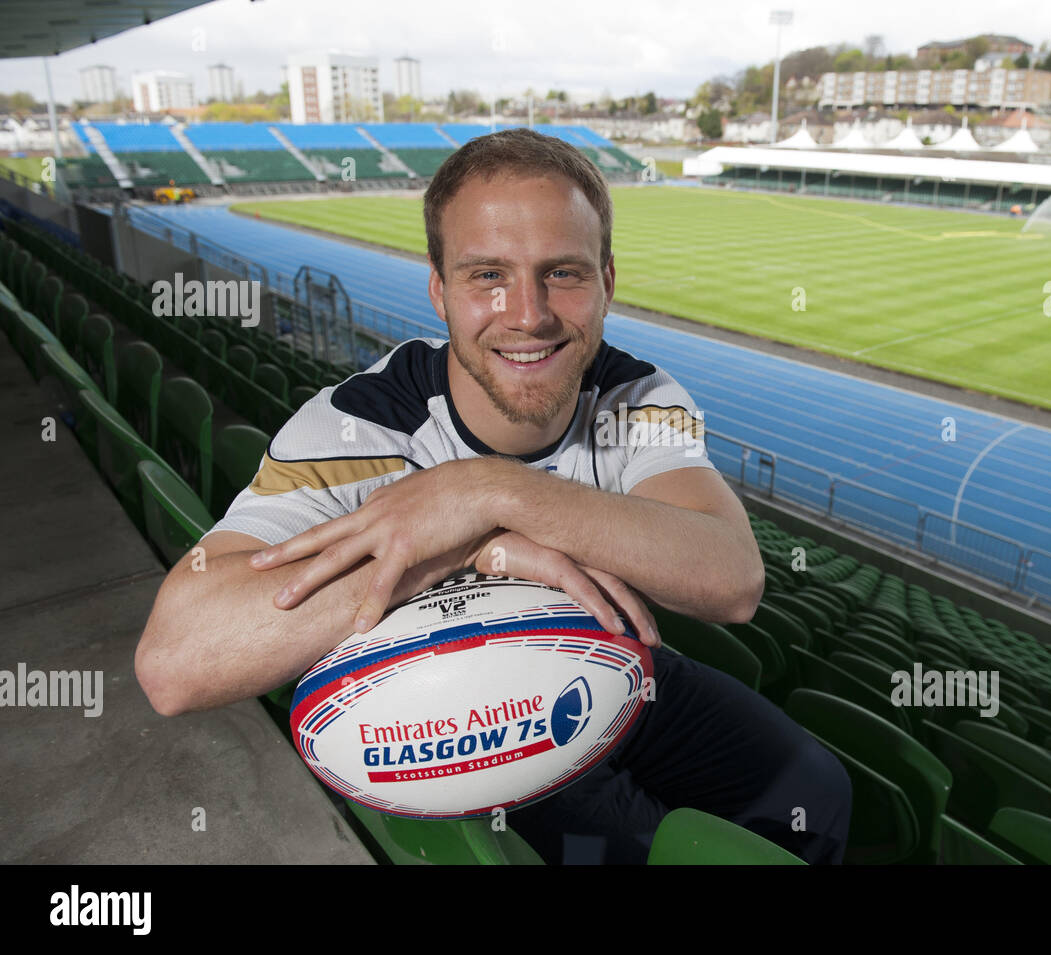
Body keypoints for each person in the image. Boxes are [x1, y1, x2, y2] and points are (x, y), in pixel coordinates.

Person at [135, 127, 851, 864]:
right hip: (447, 695)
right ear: (440, 290)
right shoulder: (359, 426)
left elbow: (733, 577)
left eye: (562, 274)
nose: (528, 313)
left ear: (608, 280)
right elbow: (175, 663)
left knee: (814, 789)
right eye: (487, 276)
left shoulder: (634, 395)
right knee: (630, 843)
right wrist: (460, 550)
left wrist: (486, 490)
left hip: (598, 648)